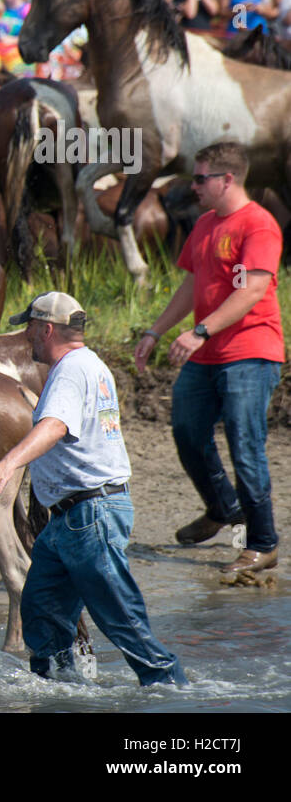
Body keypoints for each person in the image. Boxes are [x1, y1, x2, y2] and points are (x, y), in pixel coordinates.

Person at [0, 292, 186, 687]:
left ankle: (170, 689)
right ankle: (61, 689)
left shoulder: (71, 370)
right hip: (71, 518)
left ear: (47, 329)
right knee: (40, 609)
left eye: (29, 329)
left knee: (120, 618)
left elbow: (54, 426)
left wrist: (7, 463)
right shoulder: (89, 365)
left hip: (90, 515)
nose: (26, 338)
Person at [133, 142, 282, 574]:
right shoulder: (203, 225)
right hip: (208, 354)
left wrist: (200, 331)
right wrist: (155, 331)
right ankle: (221, 508)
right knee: (186, 430)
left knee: (244, 444)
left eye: (200, 178)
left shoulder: (259, 225)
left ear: (226, 180)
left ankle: (263, 544)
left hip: (251, 352)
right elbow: (191, 285)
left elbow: (252, 289)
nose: (193, 186)